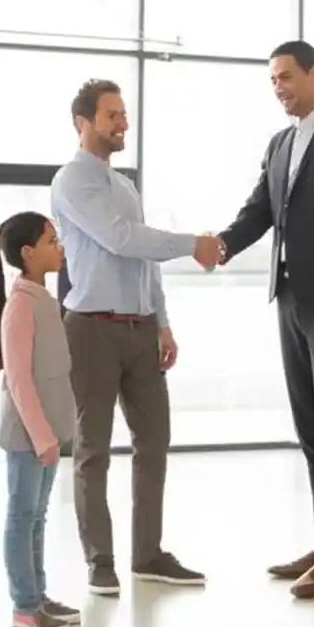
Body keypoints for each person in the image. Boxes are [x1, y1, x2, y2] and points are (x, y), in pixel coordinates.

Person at [214, 40, 314, 599]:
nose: (279, 87)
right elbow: (261, 209)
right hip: (288, 299)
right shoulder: (280, 142)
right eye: (273, 80)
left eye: (286, 76)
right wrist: (223, 245)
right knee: (309, 429)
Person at [51, 79, 220, 596]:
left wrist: (162, 319)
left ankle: (148, 554)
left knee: (154, 443)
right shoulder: (71, 182)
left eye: (124, 114)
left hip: (140, 328)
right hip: (91, 330)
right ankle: (101, 561)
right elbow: (122, 240)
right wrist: (193, 243)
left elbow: (144, 259)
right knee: (93, 450)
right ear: (84, 121)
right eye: (112, 115)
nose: (122, 123)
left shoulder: (125, 185)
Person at [0, 212, 80, 627]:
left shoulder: (41, 296)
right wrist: (42, 437)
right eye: (51, 240)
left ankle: (38, 596)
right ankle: (25, 604)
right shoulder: (20, 304)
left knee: (37, 515)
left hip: (48, 432)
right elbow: (19, 378)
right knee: (22, 515)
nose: (59, 247)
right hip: (28, 435)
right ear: (27, 253)